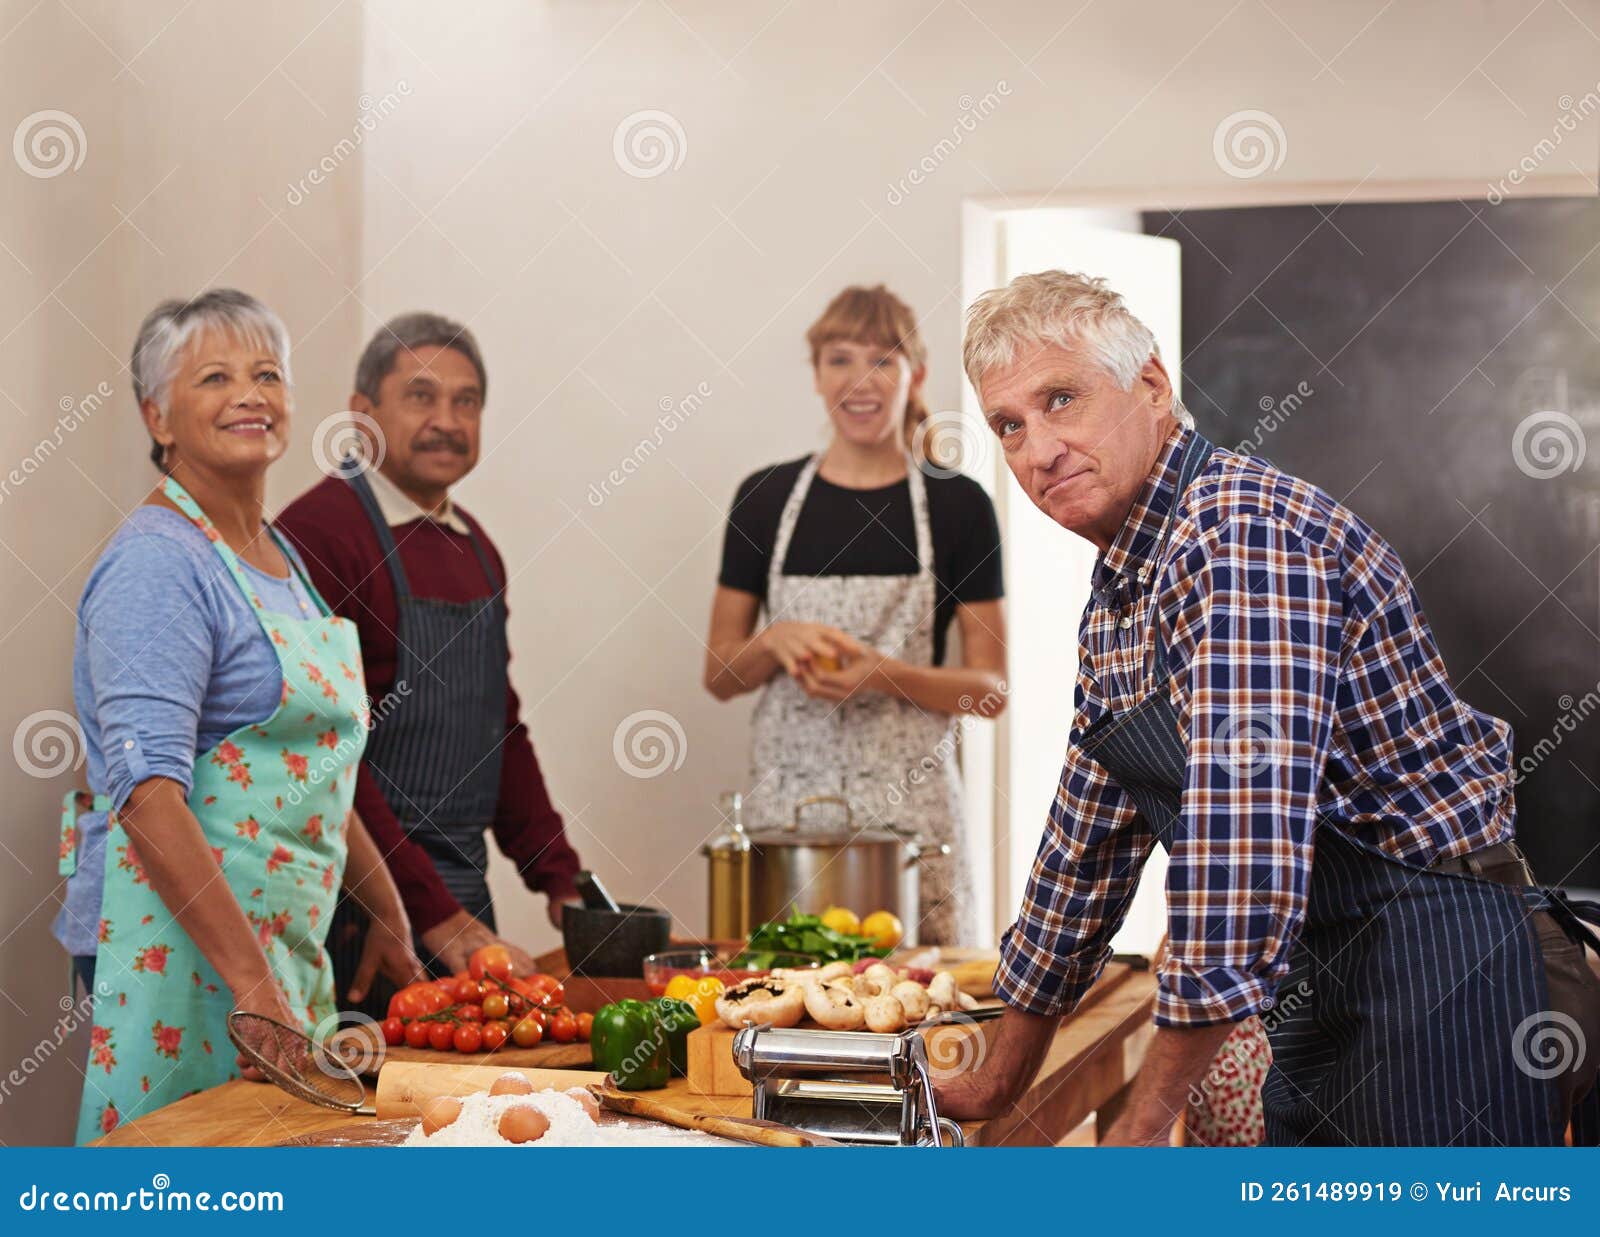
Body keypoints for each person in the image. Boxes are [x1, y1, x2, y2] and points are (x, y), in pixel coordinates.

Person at [936, 270, 1600, 1145]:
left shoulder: (1237, 536)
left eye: (1063, 399)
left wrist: (1144, 1125)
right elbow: (1083, 852)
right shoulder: (1122, 591)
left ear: (1152, 386)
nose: (1038, 449)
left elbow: (1239, 852)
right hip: (1327, 982)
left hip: (1441, 976)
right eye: (1009, 426)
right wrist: (992, 1082)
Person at [61, 290, 424, 1143]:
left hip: (279, 945)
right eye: (215, 376)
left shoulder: (276, 554)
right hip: (189, 952)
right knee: (181, 1182)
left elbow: (320, 766)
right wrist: (252, 987)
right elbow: (146, 791)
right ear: (159, 415)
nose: (250, 393)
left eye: (268, 373)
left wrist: (384, 905)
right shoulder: (157, 562)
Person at [276, 312, 581, 1001]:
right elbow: (325, 751)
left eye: (465, 400)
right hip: (357, 910)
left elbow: (498, 727)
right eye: (420, 395)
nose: (446, 418)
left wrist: (563, 881)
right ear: (362, 413)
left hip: (463, 903)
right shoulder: (318, 533)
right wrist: (426, 910)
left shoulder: (477, 547)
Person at [704, 285, 1007, 945]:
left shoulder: (959, 507)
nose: (860, 381)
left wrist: (882, 674)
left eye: (883, 360)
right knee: (781, 1005)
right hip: (788, 818)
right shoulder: (765, 498)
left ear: (915, 374)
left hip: (914, 823)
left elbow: (990, 692)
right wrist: (774, 640)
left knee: (923, 1015)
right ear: (816, 374)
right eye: (840, 359)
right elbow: (720, 673)